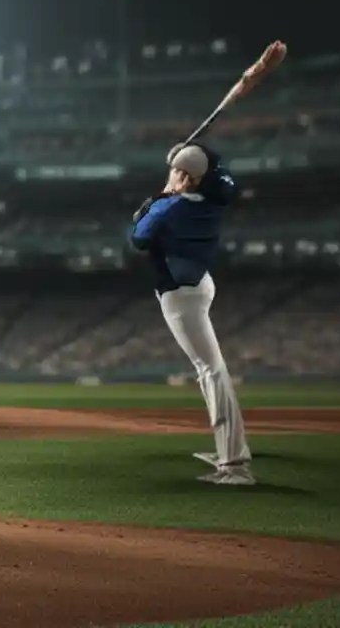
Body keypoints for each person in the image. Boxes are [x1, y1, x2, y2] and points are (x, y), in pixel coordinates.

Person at [129, 142, 253, 485]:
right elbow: (218, 168)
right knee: (207, 371)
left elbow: (137, 237)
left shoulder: (170, 208)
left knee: (211, 370)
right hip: (199, 284)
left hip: (181, 294)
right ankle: (227, 450)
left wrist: (157, 199)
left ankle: (235, 466)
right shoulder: (216, 196)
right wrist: (192, 152)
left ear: (184, 177)